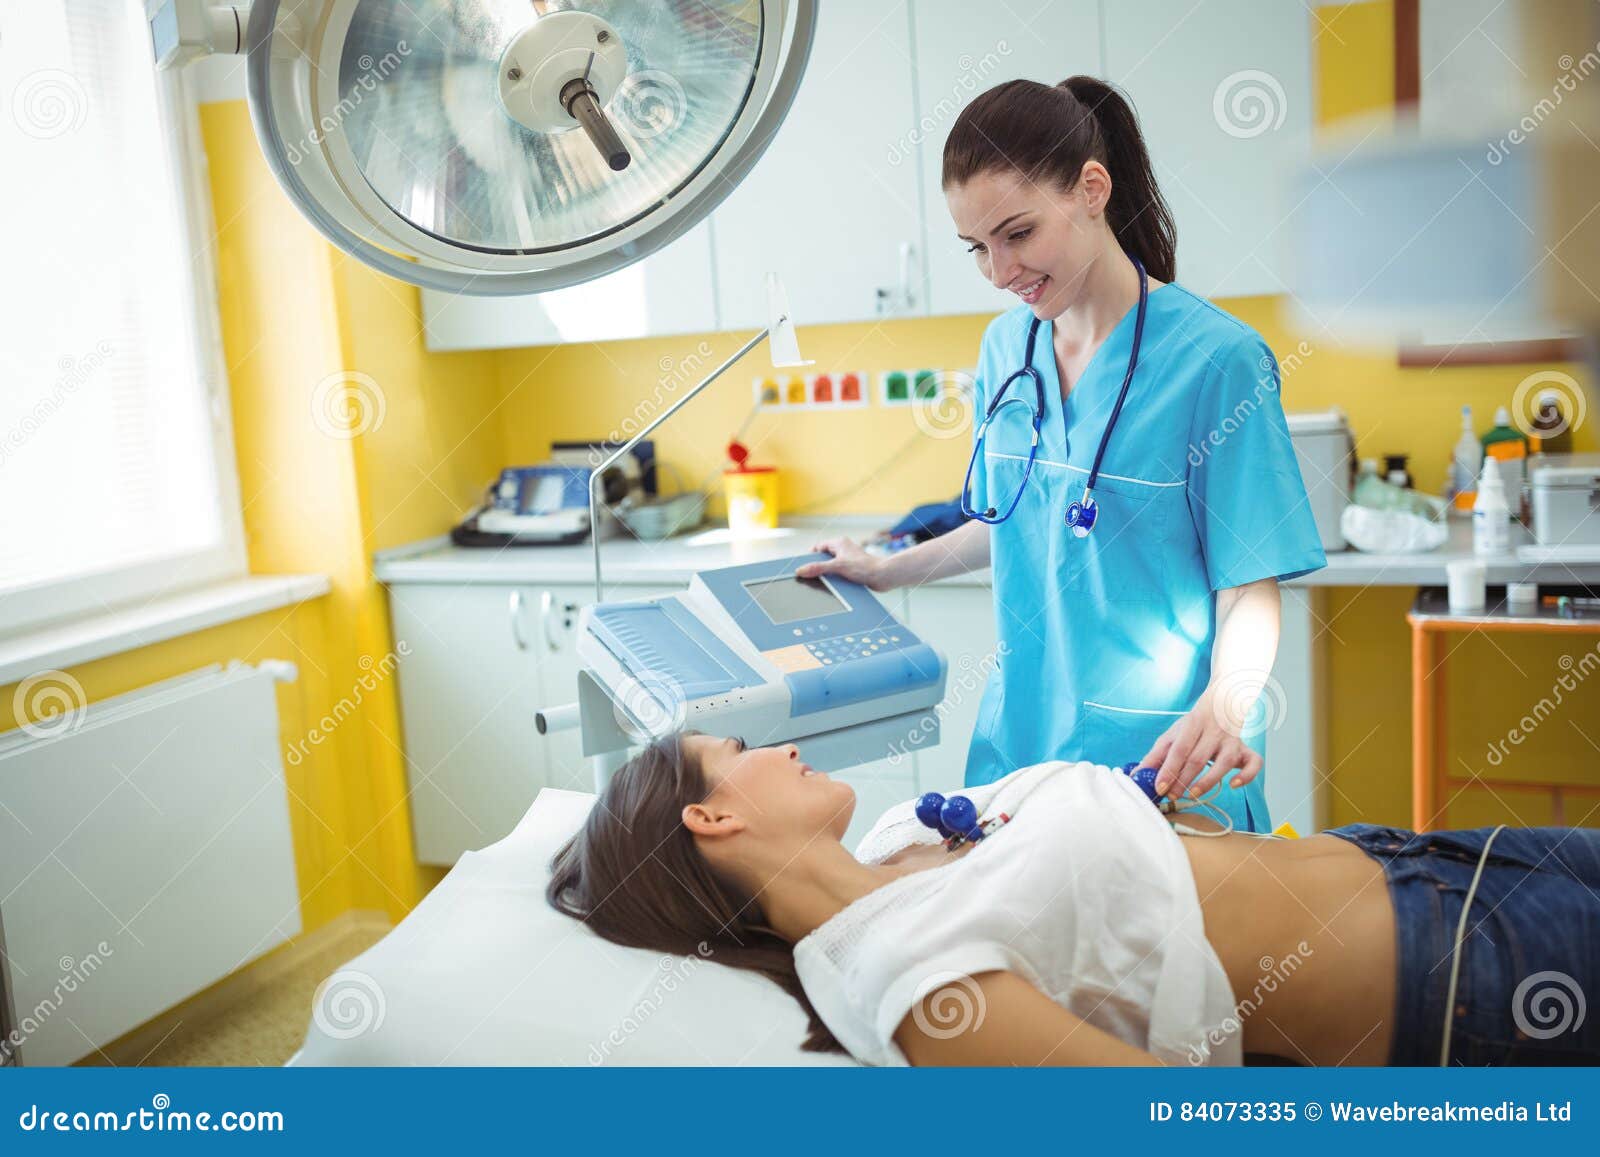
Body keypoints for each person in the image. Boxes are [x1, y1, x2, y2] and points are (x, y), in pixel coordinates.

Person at [798, 76, 1325, 832]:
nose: (999, 272)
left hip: (1165, 761)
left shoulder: (1217, 361)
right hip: (1022, 751)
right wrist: (888, 569)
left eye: (1018, 234)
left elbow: (1250, 583)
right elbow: (1016, 520)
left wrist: (1227, 702)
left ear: (1091, 189)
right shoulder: (1005, 348)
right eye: (977, 248)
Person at [548, 733, 1600, 1067]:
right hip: (1462, 975)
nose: (779, 745)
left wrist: (1156, 810)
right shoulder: (900, 980)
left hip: (1437, 856)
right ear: (713, 819)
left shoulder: (901, 839)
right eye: (739, 754)